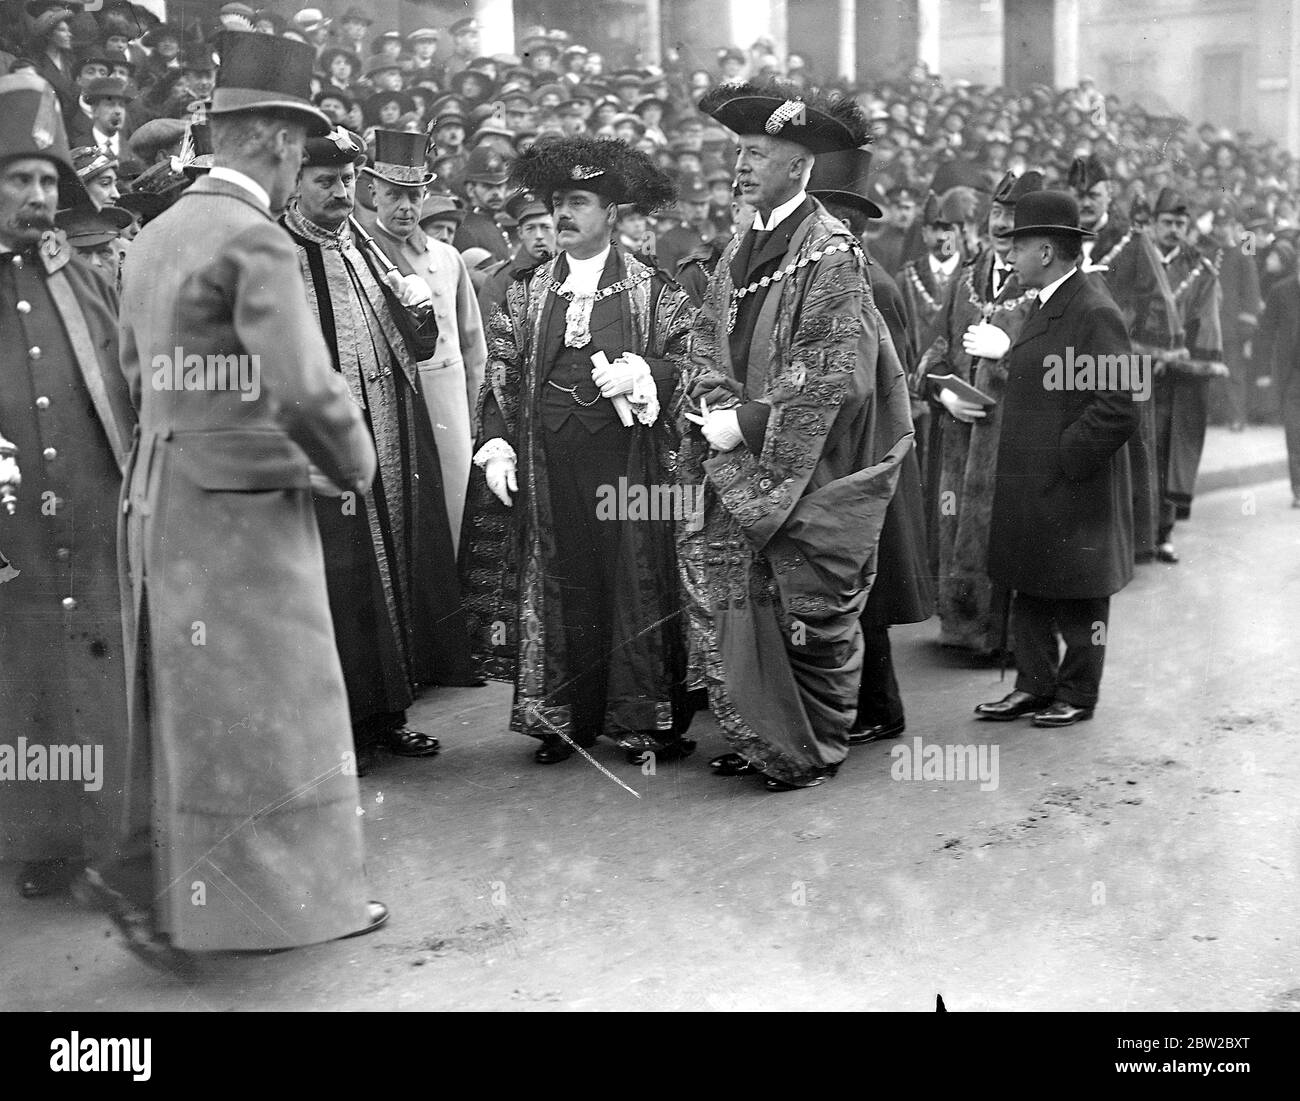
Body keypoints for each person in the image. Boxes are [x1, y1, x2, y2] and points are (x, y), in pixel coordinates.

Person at [102, 33, 386, 972]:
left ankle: (193, 900)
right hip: (246, 506)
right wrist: (356, 465)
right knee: (282, 704)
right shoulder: (253, 238)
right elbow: (305, 388)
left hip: (160, 493)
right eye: (302, 141)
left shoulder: (155, 233)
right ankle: (294, 901)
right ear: (272, 140)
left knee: (195, 708)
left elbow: (134, 374)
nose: (306, 159)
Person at [679, 81, 914, 791]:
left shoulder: (830, 253)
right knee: (743, 603)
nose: (741, 167)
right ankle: (759, 733)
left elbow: (830, 375)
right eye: (738, 153)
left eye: (756, 154)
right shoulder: (738, 248)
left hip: (801, 461)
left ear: (797, 167)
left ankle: (805, 748)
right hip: (738, 454)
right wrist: (715, 408)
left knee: (798, 605)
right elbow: (704, 342)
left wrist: (746, 422)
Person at [460, 135, 698, 766]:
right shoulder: (529, 289)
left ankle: (642, 718)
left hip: (628, 463)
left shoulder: (654, 289)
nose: (564, 215)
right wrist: (499, 444)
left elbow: (691, 363)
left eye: (580, 202)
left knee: (632, 583)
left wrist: (647, 376)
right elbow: (502, 369)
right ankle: (564, 716)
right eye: (559, 202)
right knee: (567, 584)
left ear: (611, 213)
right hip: (551, 461)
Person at [282, 124, 478, 774]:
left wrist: (415, 306)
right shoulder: (279, 252)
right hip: (320, 450)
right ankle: (341, 731)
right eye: (325, 181)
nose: (339, 193)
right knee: (338, 583)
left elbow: (415, 345)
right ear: (296, 183)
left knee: (389, 570)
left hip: (386, 435)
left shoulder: (361, 247)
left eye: (344, 181)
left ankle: (388, 715)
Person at [0, 72, 136, 903]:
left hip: (92, 506)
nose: (38, 196)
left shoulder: (85, 279)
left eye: (47, 180)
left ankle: (113, 831)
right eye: (19, 179)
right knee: (26, 674)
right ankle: (41, 837)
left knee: (101, 665)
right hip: (10, 525)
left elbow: (129, 379)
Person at [977, 191, 1138, 728]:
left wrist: (1064, 459)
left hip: (1072, 482)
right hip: (1037, 482)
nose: (1010, 256)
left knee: (1080, 594)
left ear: (1046, 251)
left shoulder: (1094, 310)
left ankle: (1077, 691)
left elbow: (1119, 405)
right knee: (1033, 580)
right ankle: (1034, 683)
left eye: (1017, 245)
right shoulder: (1051, 303)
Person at [809, 145, 933, 745]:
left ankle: (881, 709)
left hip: (875, 455)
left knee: (870, 590)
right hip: (859, 455)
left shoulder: (874, 285)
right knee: (856, 585)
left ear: (848, 223)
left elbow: (892, 381)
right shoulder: (847, 277)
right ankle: (864, 704)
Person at [916, 169, 1044, 653]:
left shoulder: (1039, 286)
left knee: (1002, 531)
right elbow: (937, 349)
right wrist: (941, 391)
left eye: (1013, 217)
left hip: (1011, 440)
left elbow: (1057, 367)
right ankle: (963, 625)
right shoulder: (967, 278)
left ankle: (1007, 638)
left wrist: (1010, 353)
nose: (1001, 224)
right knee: (956, 524)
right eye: (996, 212)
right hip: (959, 436)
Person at [356, 128, 487, 544]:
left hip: (446, 400)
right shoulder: (360, 254)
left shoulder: (447, 259)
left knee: (453, 505)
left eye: (414, 196)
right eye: (394, 194)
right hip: (392, 400)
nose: (405, 206)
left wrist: (474, 418)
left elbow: (472, 346)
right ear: (374, 193)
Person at [1148, 188, 1229, 563]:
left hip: (1175, 379)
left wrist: (1180, 359)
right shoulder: (1134, 259)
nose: (1174, 230)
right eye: (1167, 222)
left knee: (1167, 451)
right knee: (1133, 447)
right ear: (1153, 223)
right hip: (1131, 372)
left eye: (1181, 224)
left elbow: (1207, 325)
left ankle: (1164, 533)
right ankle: (1137, 531)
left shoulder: (1201, 269)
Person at [1257, 254, 1300, 507]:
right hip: (1293, 375)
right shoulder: (1280, 292)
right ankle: (1299, 488)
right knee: (1295, 433)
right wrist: (1263, 371)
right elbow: (1265, 334)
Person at [476, 186, 555, 319]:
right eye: (530, 229)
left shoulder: (573, 269)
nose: (539, 236)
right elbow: (488, 330)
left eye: (545, 227)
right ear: (520, 233)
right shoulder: (500, 280)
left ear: (557, 229)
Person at [453, 145, 513, 261]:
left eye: (499, 186)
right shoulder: (465, 229)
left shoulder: (493, 222)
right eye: (487, 186)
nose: (496, 193)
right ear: (471, 189)